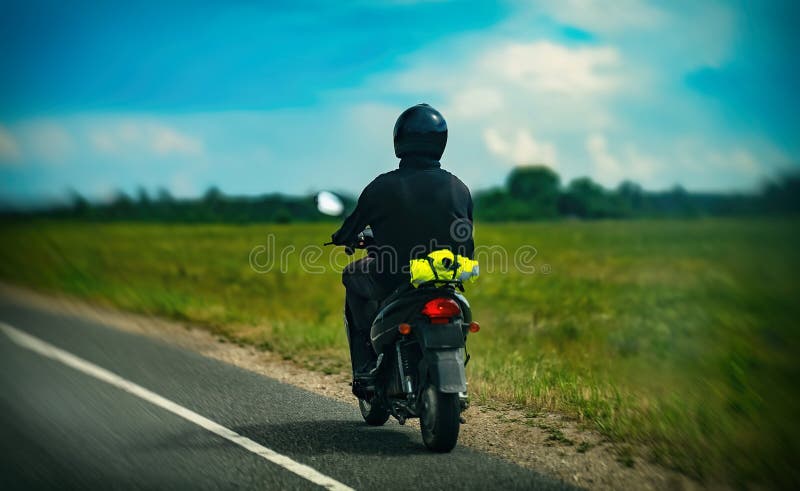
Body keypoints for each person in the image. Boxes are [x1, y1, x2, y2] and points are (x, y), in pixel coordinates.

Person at [330, 103, 475, 388]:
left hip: (393, 275)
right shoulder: (459, 188)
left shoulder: (382, 186)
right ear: (440, 142)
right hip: (444, 277)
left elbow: (350, 227)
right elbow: (467, 239)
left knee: (351, 274)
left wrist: (343, 237)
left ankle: (365, 366)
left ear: (400, 140)